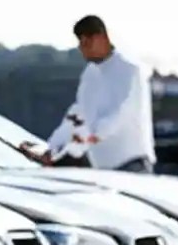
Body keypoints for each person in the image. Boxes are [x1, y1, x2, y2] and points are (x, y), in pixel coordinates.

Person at [65, 15, 156, 173]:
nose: (82, 48)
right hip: (102, 169)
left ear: (101, 38)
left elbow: (121, 112)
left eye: (87, 42)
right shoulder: (90, 75)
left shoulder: (130, 69)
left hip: (131, 164)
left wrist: (93, 135)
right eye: (80, 43)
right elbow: (81, 112)